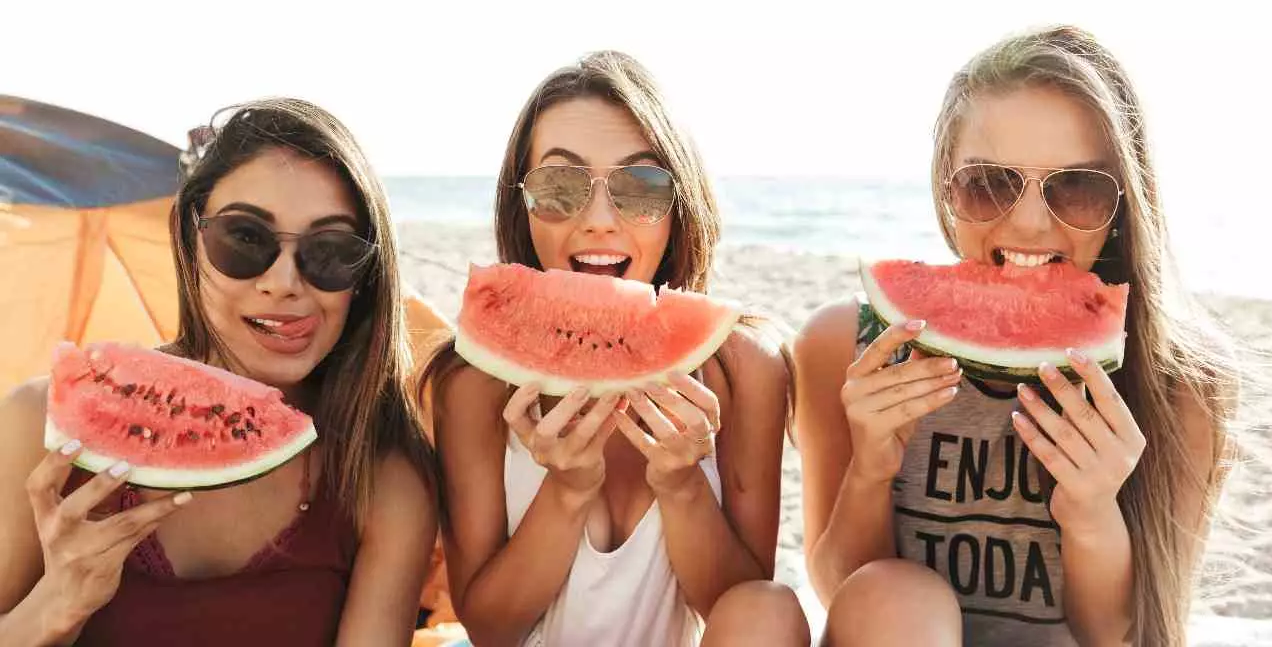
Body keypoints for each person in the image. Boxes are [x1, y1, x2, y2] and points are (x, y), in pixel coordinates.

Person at [795, 25, 1238, 646]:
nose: (1029, 224)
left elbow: (1121, 635)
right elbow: (843, 590)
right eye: (989, 184)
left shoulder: (1183, 384)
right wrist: (871, 468)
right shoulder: (845, 345)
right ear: (944, 186)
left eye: (1078, 189)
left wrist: (1089, 512)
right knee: (896, 596)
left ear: (1123, 204)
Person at [0, 98, 438, 646]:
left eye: (330, 250)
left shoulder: (384, 480)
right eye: (245, 238)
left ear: (365, 276)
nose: (284, 282)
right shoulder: (39, 426)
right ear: (191, 241)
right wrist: (54, 606)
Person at [420, 51, 809, 646]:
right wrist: (568, 490)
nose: (600, 220)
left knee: (771, 606)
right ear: (520, 203)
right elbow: (490, 627)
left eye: (642, 185)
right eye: (559, 184)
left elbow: (740, 612)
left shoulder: (742, 367)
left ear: (679, 206)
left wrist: (680, 484)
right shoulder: (470, 381)